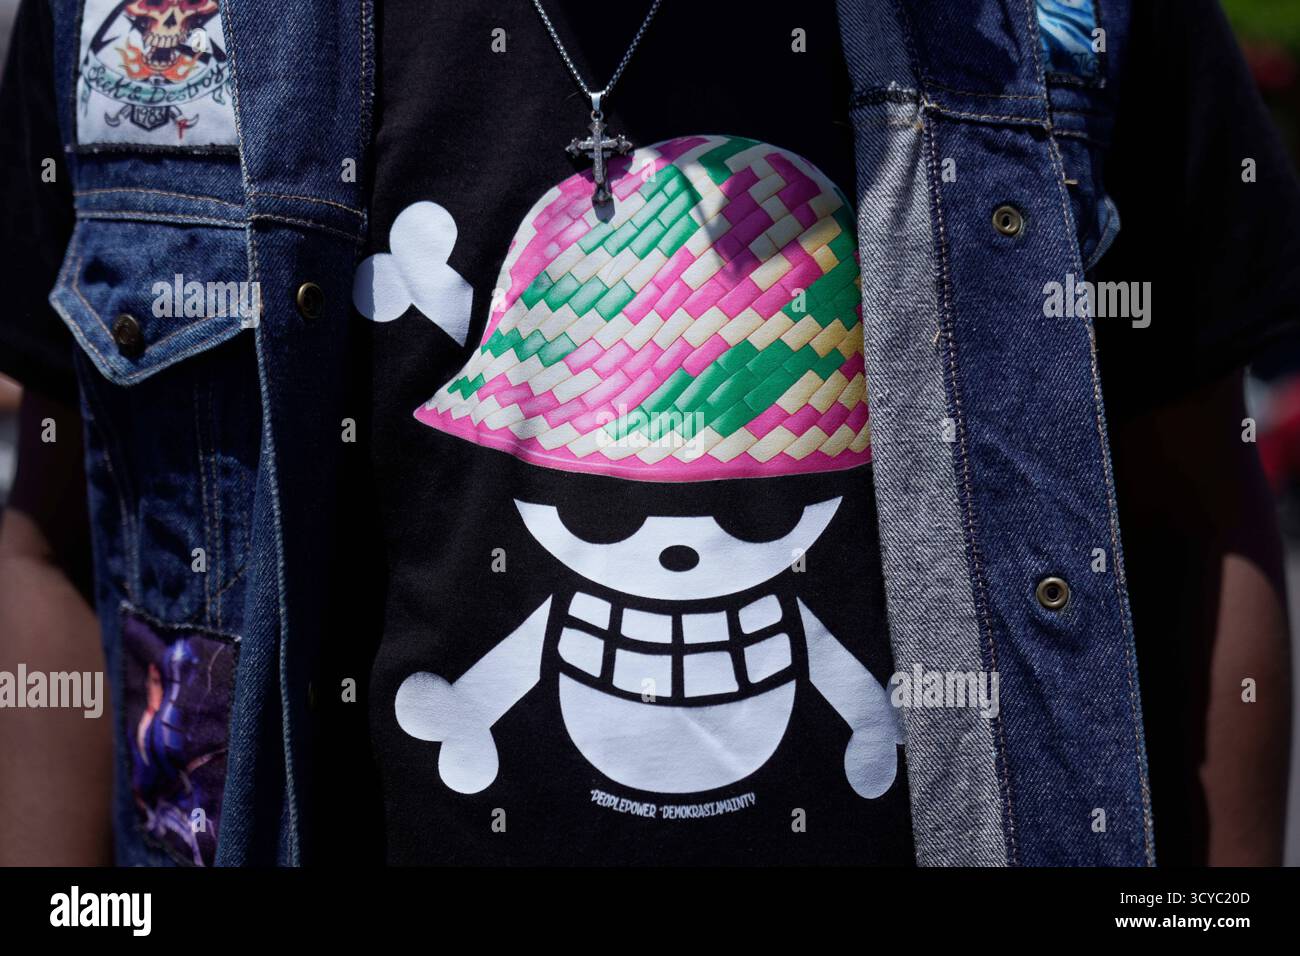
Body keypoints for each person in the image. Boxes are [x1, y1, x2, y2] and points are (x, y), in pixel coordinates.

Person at [0, 0, 1294, 867]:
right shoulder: (155, 35)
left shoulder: (1048, 25)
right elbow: (63, 544)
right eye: (608, 501)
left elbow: (1189, 508)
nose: (679, 541)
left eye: (749, 503)